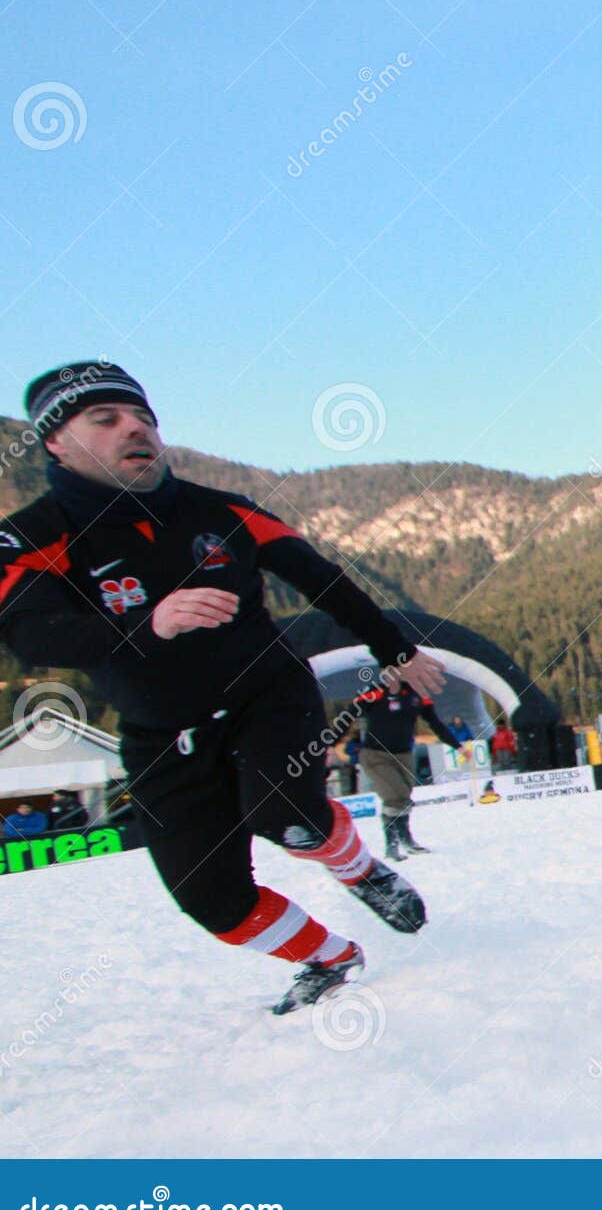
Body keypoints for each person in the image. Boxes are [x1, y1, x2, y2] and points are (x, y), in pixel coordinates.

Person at [0, 364, 440, 1014]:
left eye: (144, 417)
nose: (136, 428)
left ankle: (359, 869)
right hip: (159, 730)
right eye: (107, 419)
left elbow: (325, 580)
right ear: (56, 443)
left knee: (286, 818)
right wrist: (144, 624)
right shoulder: (34, 536)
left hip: (267, 695)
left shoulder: (223, 512)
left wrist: (395, 648)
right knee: (212, 901)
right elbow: (28, 630)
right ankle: (329, 955)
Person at [351, 675, 462, 859]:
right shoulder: (376, 691)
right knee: (395, 796)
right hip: (376, 755)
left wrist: (457, 746)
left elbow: (436, 724)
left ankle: (406, 839)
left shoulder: (416, 696)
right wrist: (327, 745)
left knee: (403, 796)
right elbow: (350, 714)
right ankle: (392, 845)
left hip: (404, 754)